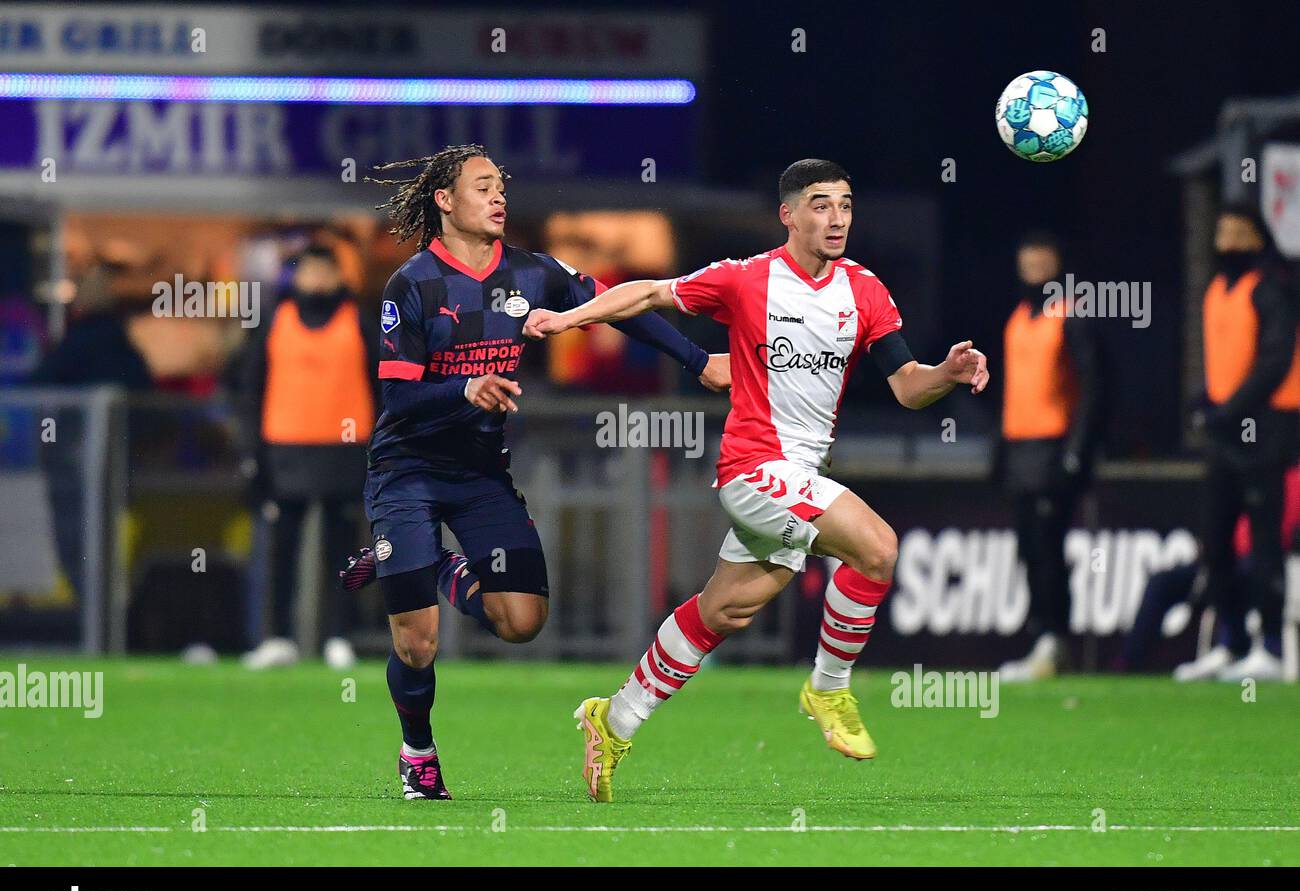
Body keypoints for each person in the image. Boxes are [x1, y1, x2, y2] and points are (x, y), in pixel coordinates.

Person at [524, 158, 990, 802]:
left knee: (726, 609)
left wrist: (946, 371)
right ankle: (827, 689)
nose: (836, 218)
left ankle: (614, 718)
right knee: (877, 547)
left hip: (802, 477)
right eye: (821, 204)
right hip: (754, 468)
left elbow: (907, 386)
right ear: (789, 214)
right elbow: (650, 292)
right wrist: (568, 319)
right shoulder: (748, 280)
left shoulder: (864, 290)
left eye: (846, 205)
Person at [345, 144, 729, 799]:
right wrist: (465, 388)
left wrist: (699, 361)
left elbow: (618, 306)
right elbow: (399, 398)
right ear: (445, 201)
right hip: (407, 471)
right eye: (483, 186)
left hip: (481, 476)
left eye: (502, 186)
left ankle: (432, 565)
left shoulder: (532, 273)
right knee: (418, 644)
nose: (499, 197)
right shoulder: (411, 284)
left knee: (522, 620)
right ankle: (418, 752)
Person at [237, 245, 373, 671]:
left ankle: (338, 636)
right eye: (308, 271)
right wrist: (251, 451)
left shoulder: (361, 323)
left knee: (342, 551)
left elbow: (384, 384)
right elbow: (250, 386)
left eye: (323, 271)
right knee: (281, 549)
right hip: (285, 452)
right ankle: (278, 637)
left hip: (345, 451)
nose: (316, 280)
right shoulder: (276, 323)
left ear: (338, 275)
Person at [1187, 203, 1300, 682]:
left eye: (1240, 234)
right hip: (1226, 435)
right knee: (1215, 540)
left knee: (1265, 539)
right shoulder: (1217, 289)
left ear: (1258, 239)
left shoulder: (1270, 288)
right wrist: (1205, 401)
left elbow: (1274, 363)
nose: (1229, 242)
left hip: (1267, 428)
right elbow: (1219, 359)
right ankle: (1230, 641)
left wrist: (1229, 409)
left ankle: (1270, 647)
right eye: (1223, 232)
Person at [994, 232, 1103, 682]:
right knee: (1029, 548)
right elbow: (1011, 388)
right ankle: (1042, 636)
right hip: (1020, 449)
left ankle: (1054, 638)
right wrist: (999, 449)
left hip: (1055, 450)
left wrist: (1078, 450)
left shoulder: (1071, 315)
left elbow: (1095, 387)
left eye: (1043, 259)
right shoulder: (1019, 316)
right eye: (1028, 258)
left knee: (1049, 547)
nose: (1034, 266)